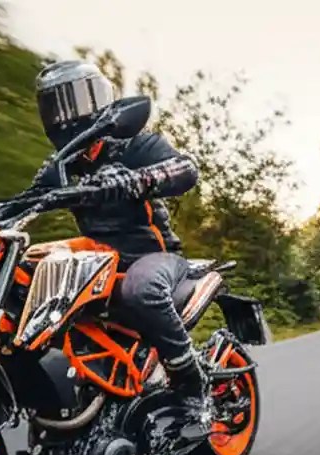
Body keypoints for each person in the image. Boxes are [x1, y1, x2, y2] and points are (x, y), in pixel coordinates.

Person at [30, 59, 208, 422]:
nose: (65, 114)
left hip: (153, 256)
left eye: (74, 99)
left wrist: (136, 180)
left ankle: (191, 381)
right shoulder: (61, 165)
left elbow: (185, 170)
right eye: (54, 104)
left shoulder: (134, 144)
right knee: (29, 272)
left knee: (141, 289)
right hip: (99, 262)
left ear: (98, 99)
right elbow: (28, 200)